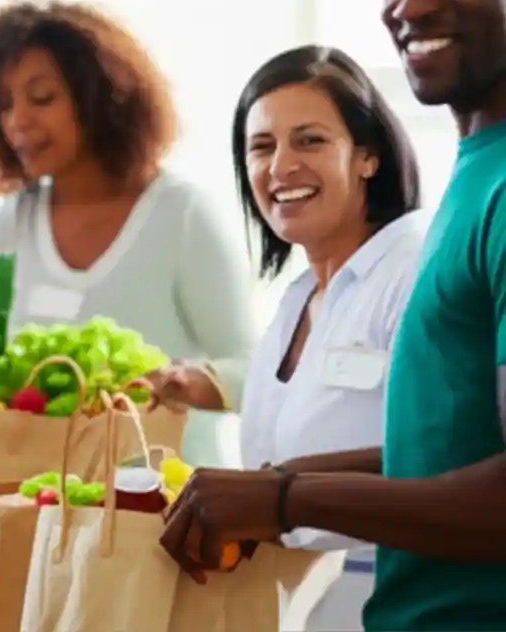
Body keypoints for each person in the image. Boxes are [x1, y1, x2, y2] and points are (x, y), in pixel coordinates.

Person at [159, 0, 506, 628]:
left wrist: (289, 499)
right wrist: (277, 486)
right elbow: (439, 448)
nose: (410, 4)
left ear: (367, 155)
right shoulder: (472, 181)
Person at [0, 0, 257, 468]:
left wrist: (184, 381)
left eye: (42, 98)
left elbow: (254, 375)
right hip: (38, 516)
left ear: (100, 97)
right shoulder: (11, 225)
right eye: (4, 105)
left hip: (159, 517)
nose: (17, 121)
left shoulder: (182, 217)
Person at [151, 44, 424, 630]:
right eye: (262, 147)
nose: (280, 167)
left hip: (388, 607)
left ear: (368, 156)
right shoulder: (298, 296)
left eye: (310, 140)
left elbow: (442, 457)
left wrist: (274, 496)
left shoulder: (412, 272)